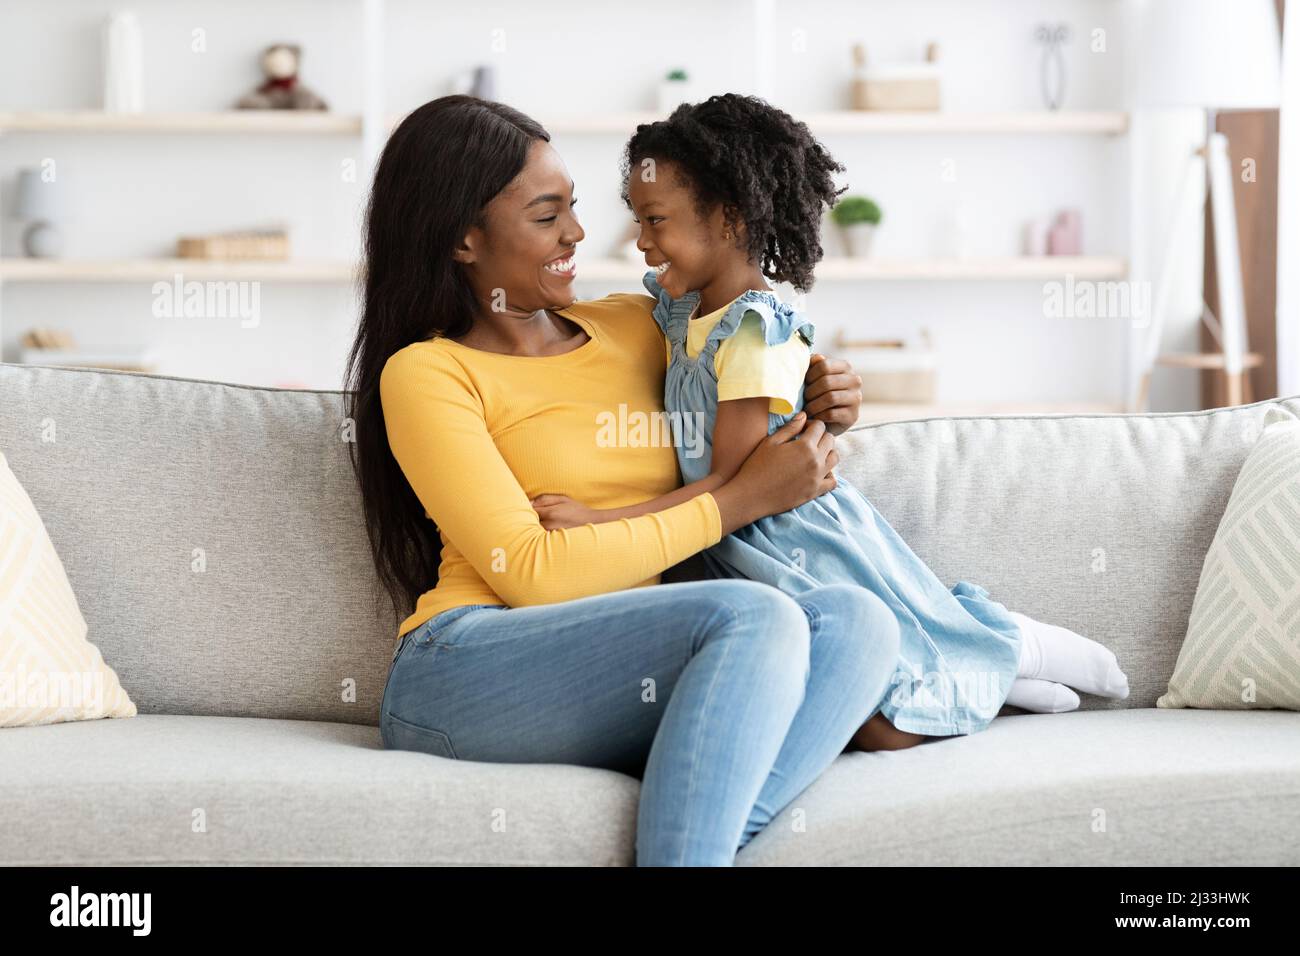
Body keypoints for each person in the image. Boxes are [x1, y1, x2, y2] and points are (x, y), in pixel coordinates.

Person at [344, 94, 898, 866]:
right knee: (758, 617)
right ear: (465, 239)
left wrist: (825, 394)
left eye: (573, 208)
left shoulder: (642, 324)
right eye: (546, 216)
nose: (578, 233)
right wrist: (741, 501)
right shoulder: (430, 373)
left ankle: (691, 841)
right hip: (466, 667)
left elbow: (751, 354)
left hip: (633, 669)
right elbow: (529, 571)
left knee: (858, 619)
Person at [531, 94, 1131, 752]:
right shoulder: (679, 314)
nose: (640, 241)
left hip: (788, 534)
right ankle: (1003, 675)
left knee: (878, 725)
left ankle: (1007, 644)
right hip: (727, 542)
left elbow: (737, 482)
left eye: (655, 220)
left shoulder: (753, 331)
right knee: (835, 695)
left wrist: (601, 523)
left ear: (729, 218)